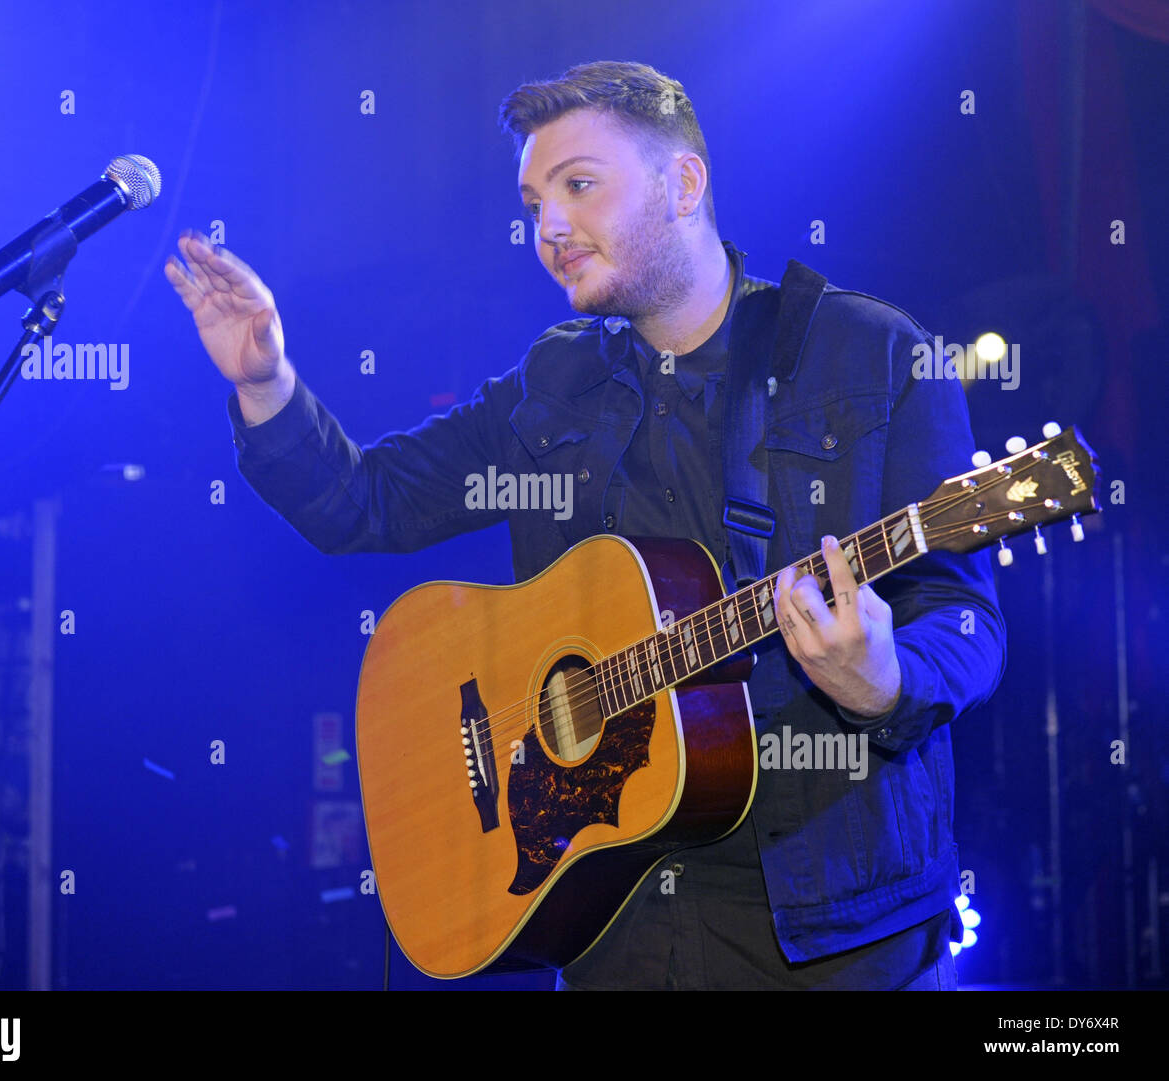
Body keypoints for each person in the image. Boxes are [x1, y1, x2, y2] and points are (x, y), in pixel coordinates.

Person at [164, 60, 1005, 990]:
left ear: (684, 184)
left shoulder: (869, 351)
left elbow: (966, 618)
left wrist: (885, 682)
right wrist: (264, 382)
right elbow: (366, 500)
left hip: (831, 928)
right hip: (618, 919)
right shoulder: (551, 382)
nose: (549, 228)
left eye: (578, 186)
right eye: (532, 205)